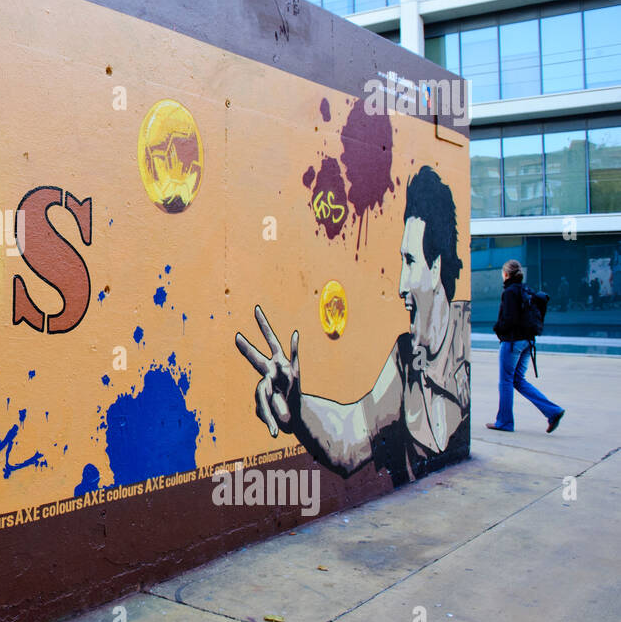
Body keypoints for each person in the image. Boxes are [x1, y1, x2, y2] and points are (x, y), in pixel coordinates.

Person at [236, 165, 470, 488]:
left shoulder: (464, 337)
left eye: (410, 261)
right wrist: (298, 409)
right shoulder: (405, 362)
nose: (401, 285)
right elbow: (349, 439)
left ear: (436, 268)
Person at [488, 259, 564, 433]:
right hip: (528, 342)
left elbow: (509, 320)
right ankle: (553, 412)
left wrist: (497, 329)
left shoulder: (510, 292)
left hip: (513, 342)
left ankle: (504, 422)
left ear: (506, 274)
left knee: (505, 381)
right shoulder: (526, 290)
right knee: (518, 380)